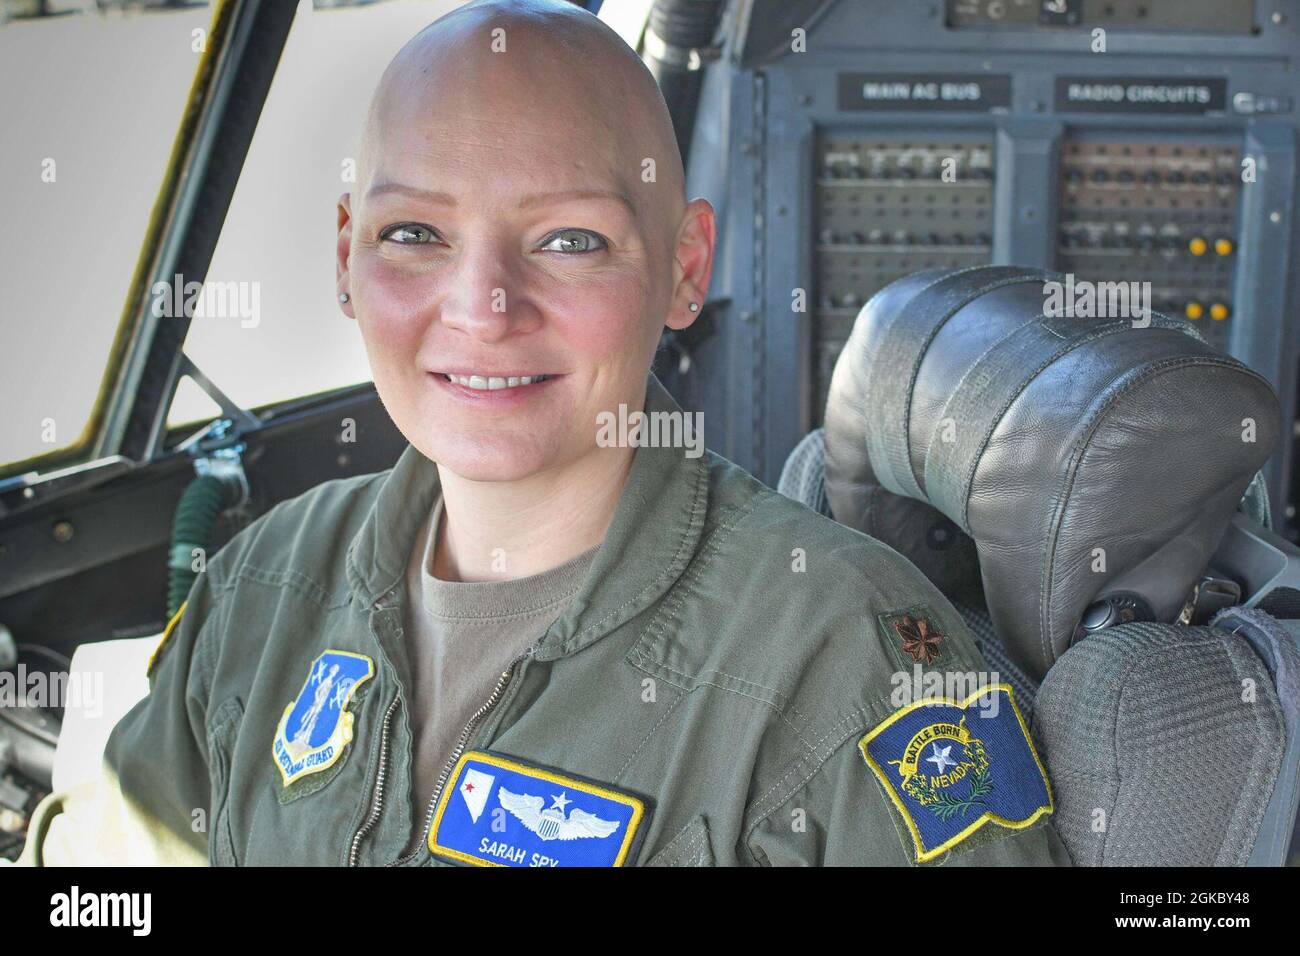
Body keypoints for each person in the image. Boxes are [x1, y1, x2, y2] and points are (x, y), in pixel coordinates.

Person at [30, 0, 1069, 867]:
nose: (483, 305)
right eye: (414, 234)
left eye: (570, 239)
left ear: (682, 267)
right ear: (347, 255)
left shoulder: (847, 663)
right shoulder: (263, 585)